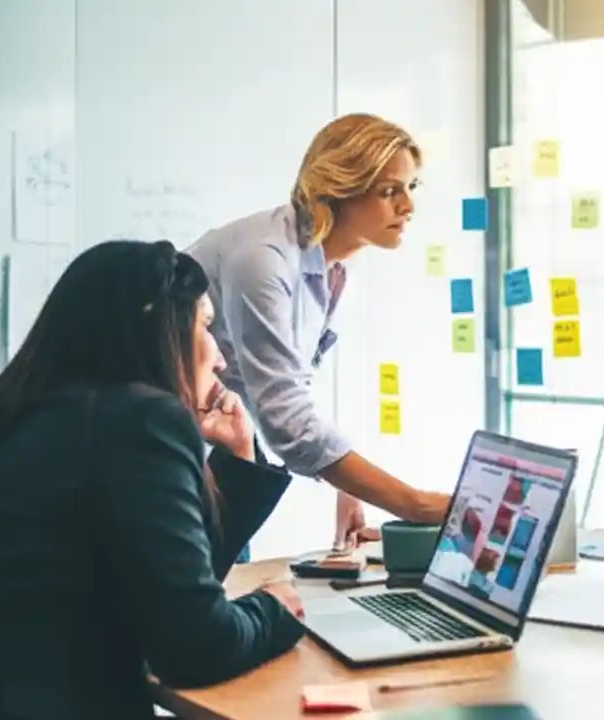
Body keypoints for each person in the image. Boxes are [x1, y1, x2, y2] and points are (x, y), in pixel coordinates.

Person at [0, 241, 305, 719]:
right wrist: (273, 607)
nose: (219, 358)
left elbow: (167, 592)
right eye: (205, 326)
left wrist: (237, 459)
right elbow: (197, 648)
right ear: (161, 330)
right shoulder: (136, 420)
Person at [187, 113, 450, 551]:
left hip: (210, 448)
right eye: (390, 191)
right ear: (338, 189)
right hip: (156, 456)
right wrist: (416, 505)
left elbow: (293, 385)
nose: (408, 206)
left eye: (411, 187)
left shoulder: (332, 268)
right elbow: (285, 415)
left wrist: (349, 487)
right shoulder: (263, 260)